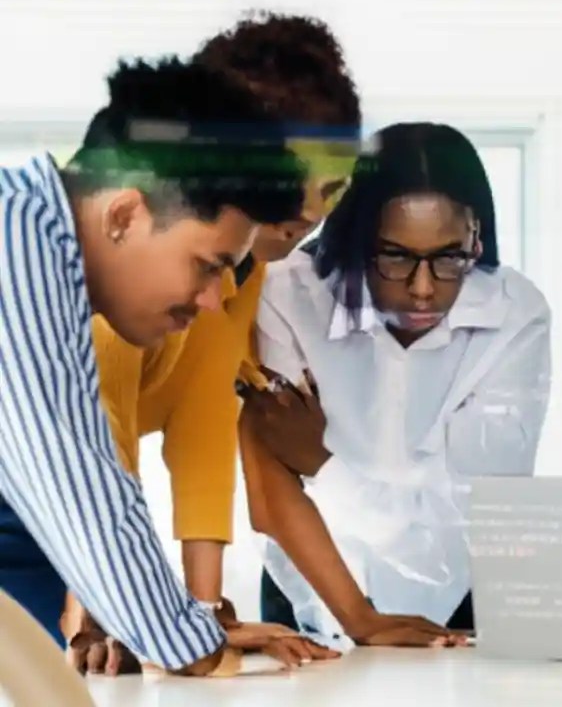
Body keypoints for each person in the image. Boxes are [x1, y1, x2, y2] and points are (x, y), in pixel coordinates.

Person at [0, 55, 332, 676]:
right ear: (124, 216)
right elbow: (75, 474)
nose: (210, 300)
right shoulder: (16, 242)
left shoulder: (45, 248)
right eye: (207, 266)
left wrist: (190, 623)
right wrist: (194, 644)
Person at [67, 11, 362, 676]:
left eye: (334, 187)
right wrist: (108, 606)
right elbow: (95, 452)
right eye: (290, 181)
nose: (311, 213)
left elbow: (202, 429)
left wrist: (206, 611)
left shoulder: (243, 272)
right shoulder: (125, 264)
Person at [239, 122, 550, 649]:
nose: (423, 289)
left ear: (477, 236)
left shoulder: (515, 315)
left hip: (457, 592)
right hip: (309, 587)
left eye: (450, 256)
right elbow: (271, 486)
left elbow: (471, 519)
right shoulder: (286, 292)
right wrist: (358, 615)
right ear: (356, 238)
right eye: (395, 256)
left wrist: (324, 465)